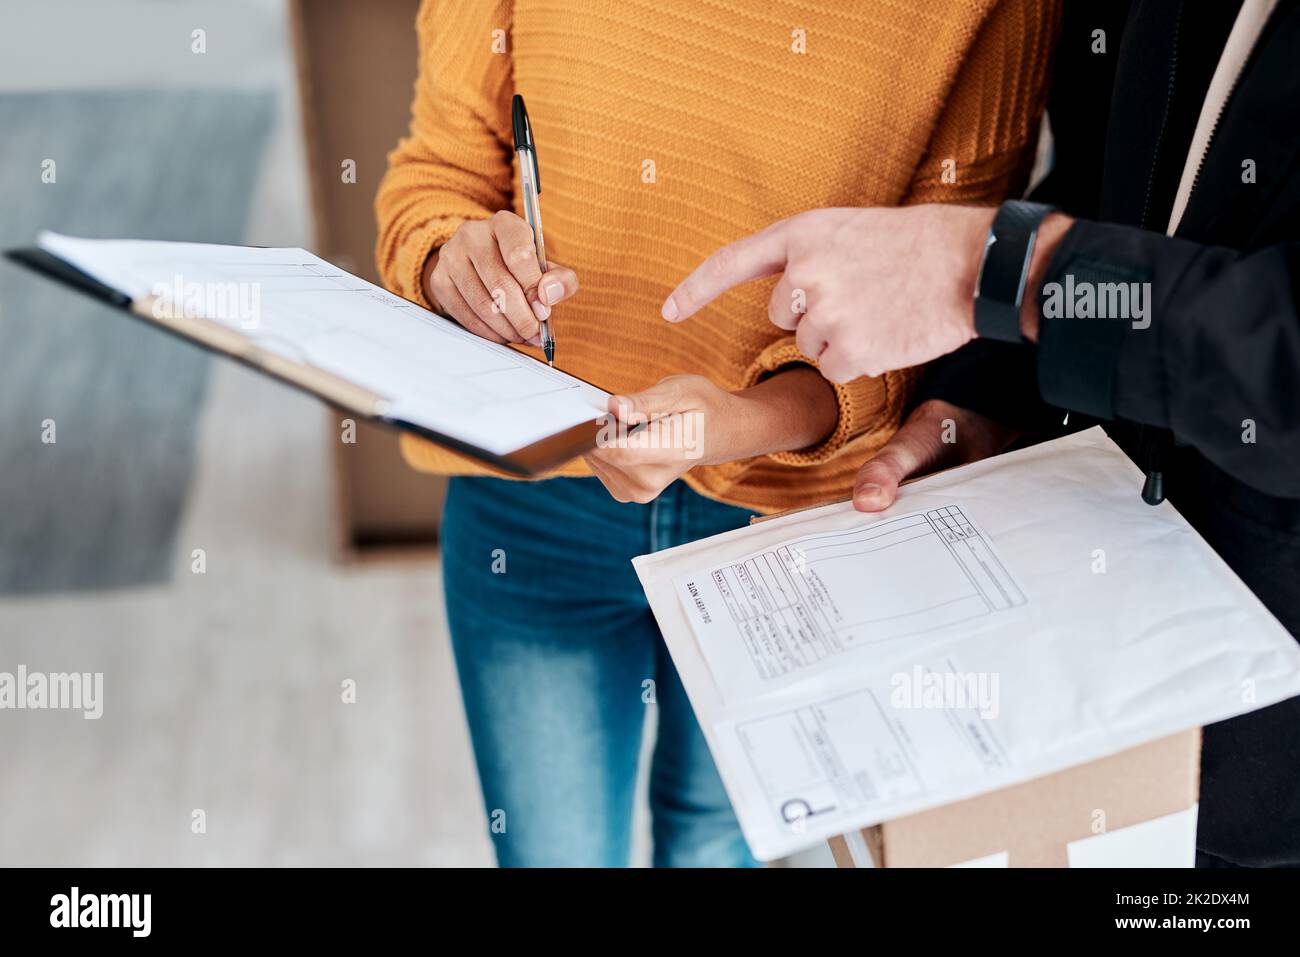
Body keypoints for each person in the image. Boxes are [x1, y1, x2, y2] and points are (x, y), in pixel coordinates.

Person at [375, 0, 1059, 865]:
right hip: (533, 497)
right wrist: (449, 263)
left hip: (788, 531)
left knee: (715, 842)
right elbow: (435, 176)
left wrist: (733, 423)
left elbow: (929, 312)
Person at [664, 0, 1300, 867]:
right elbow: (1099, 194)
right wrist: (979, 401)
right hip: (1097, 695)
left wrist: (991, 268)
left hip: (1270, 762)